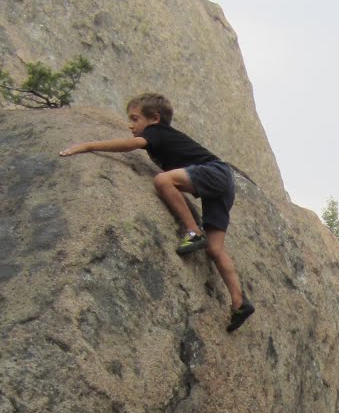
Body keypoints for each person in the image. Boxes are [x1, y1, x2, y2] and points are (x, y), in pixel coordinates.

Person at [60, 93, 255, 332]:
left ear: (154, 118)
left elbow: (130, 145)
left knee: (163, 181)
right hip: (221, 184)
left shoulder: (155, 132)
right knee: (215, 249)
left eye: (135, 119)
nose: (130, 125)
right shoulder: (160, 134)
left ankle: (193, 231)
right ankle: (239, 302)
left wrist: (87, 146)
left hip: (213, 172)